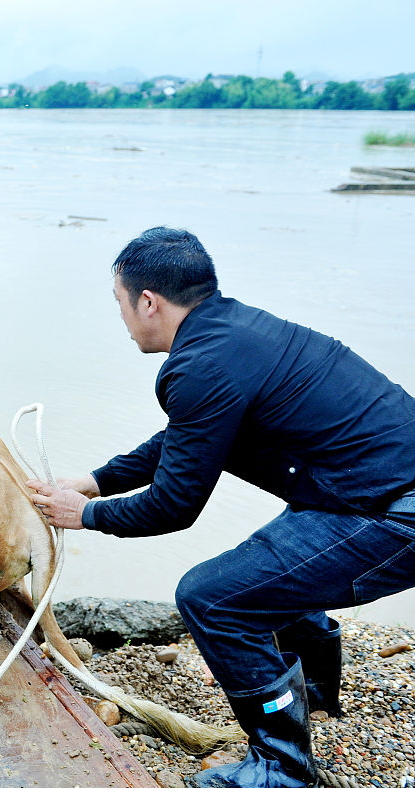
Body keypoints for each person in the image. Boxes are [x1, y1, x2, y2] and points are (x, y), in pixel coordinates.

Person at [26, 227, 415, 788]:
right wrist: (96, 482)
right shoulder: (236, 331)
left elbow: (172, 507)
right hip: (360, 485)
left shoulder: (200, 368)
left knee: (212, 598)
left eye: (119, 303)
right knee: (268, 572)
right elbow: (188, 436)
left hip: (390, 511)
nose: (122, 317)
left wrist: (82, 516)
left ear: (148, 302)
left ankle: (283, 767)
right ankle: (318, 696)